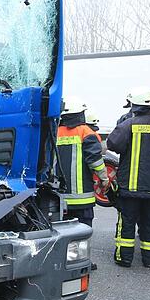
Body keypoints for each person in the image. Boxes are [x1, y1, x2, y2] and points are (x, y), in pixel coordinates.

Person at [106, 88, 150, 267]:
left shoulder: (128, 125)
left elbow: (112, 144)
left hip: (130, 188)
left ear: (135, 105)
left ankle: (124, 259)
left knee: (127, 223)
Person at [56, 97, 107, 227]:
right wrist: (104, 178)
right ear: (80, 114)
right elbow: (95, 160)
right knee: (82, 234)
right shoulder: (86, 132)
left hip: (58, 197)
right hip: (82, 198)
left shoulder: (54, 132)